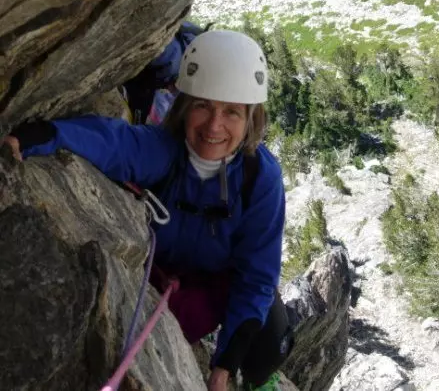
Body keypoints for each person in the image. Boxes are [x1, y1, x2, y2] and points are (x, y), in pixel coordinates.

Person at [4, 30, 292, 391]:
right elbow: (112, 142)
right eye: (203, 105)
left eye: (231, 112)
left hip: (213, 285)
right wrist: (40, 136)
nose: (214, 126)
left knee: (266, 338)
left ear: (250, 119)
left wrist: (223, 367)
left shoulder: (259, 179)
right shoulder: (165, 151)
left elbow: (256, 277)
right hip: (161, 275)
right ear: (185, 106)